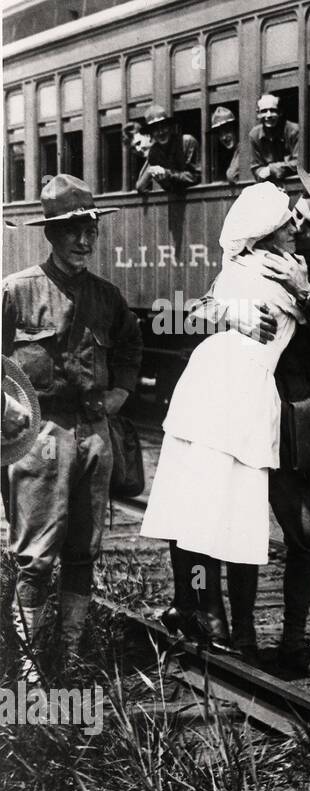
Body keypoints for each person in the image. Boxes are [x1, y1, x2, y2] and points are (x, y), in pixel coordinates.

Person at [187, 171, 310, 677]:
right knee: (231, 517)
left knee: (305, 528)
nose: (300, 228)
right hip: (243, 404)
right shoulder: (254, 257)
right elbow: (202, 305)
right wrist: (235, 313)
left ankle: (293, 641)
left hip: (296, 414)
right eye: (301, 216)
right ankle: (230, 630)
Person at [140, 184, 302, 662]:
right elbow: (191, 313)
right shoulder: (241, 271)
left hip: (247, 396)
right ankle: (211, 617)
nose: (294, 229)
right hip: (215, 393)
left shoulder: (290, 272)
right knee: (206, 510)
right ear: (266, 235)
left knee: (238, 513)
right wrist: (231, 312)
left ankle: (233, 625)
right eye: (286, 223)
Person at [3, 175, 141, 673]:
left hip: (93, 436)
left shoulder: (106, 297)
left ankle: (70, 653)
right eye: (71, 230)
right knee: (36, 557)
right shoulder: (16, 293)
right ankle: (28, 667)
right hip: (40, 437)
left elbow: (129, 346)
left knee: (83, 552)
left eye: (89, 229)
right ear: (51, 235)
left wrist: (121, 392)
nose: (83, 240)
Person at [135, 104, 199, 193]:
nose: (161, 132)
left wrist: (167, 174)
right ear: (151, 133)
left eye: (163, 127)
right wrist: (151, 172)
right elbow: (140, 187)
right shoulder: (154, 152)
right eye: (155, 129)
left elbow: (196, 177)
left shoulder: (186, 141)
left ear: (170, 127)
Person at [249, 93, 300, 184]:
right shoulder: (254, 135)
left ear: (280, 112)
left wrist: (271, 169)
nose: (268, 115)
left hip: (291, 184)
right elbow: (255, 167)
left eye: (273, 110)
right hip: (268, 186)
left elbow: (298, 162)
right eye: (264, 111)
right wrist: (261, 172)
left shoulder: (294, 130)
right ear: (258, 114)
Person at [210, 106, 240, 184]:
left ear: (235, 129)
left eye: (227, 131)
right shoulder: (233, 152)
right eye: (220, 134)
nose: (223, 137)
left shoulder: (243, 148)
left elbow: (232, 176)